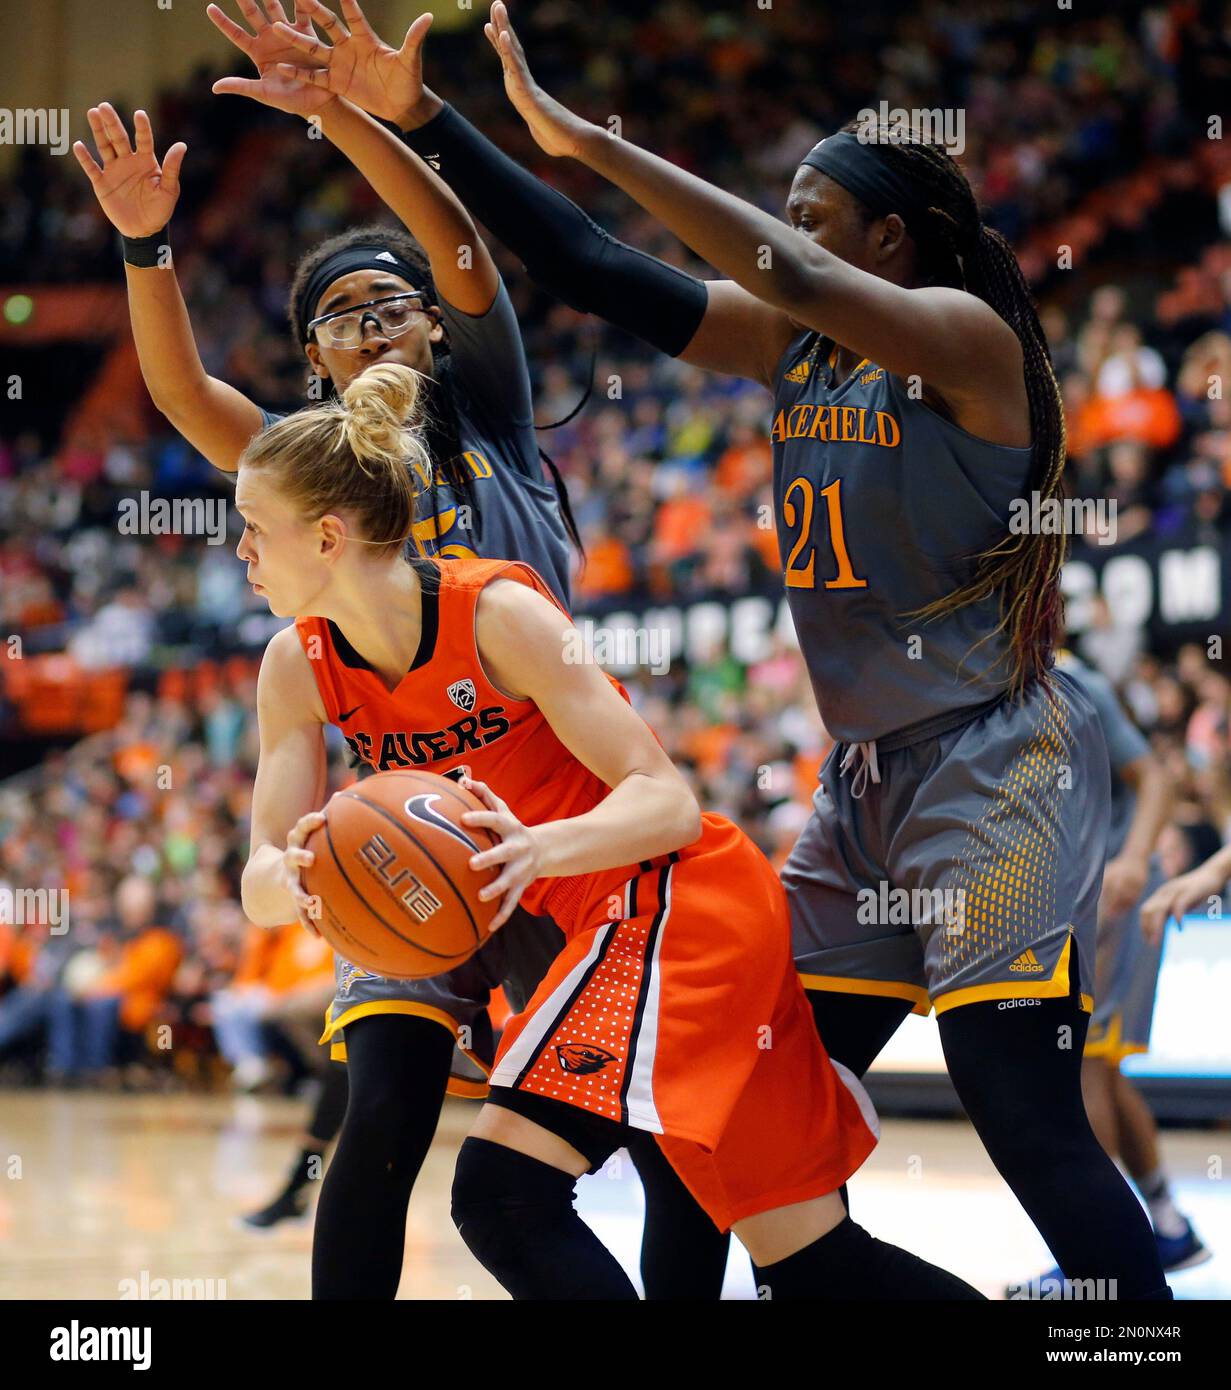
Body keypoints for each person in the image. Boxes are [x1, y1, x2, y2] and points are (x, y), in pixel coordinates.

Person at [273, 0, 1170, 1298]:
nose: (782, 243)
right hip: (862, 786)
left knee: (1015, 1103)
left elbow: (788, 273)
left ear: (889, 239)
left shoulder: (966, 346)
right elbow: (588, 267)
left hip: (999, 765)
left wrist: (595, 140)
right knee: (711, 1086)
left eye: (807, 214)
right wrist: (428, 122)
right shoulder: (790, 348)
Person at [236, 359, 984, 1299]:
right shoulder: (293, 668)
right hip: (594, 928)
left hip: (672, 902)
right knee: (813, 1262)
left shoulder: (498, 613)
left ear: (329, 535)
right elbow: (260, 875)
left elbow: (664, 800)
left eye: (255, 530)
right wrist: (295, 872)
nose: (241, 553)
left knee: (504, 1194)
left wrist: (534, 849)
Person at [69, 24, 576, 1295]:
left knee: (635, 1138)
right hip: (401, 815)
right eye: (342, 314)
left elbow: (460, 249)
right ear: (313, 360)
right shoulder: (307, 470)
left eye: (393, 302)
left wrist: (346, 116)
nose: (374, 322)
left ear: (433, 330)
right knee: (381, 1113)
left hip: (555, 807)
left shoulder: (490, 416)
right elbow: (187, 399)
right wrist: (144, 243)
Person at [1007, 650, 1209, 1294]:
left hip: (1113, 891)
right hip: (1072, 895)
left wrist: (1133, 858)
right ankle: (1168, 1226)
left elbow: (1155, 778)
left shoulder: (1072, 682)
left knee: (1082, 1066)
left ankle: (1090, 1259)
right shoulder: (998, 687)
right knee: (1101, 1066)